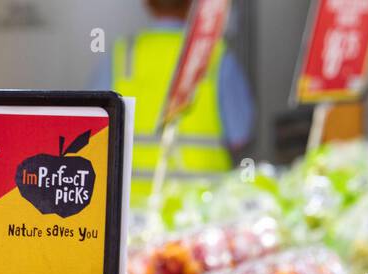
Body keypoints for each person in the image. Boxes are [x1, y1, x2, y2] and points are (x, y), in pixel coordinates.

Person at [100, 0, 255, 199]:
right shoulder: (216, 55)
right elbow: (240, 134)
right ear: (193, 4)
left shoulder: (122, 55)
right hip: (204, 208)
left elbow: (92, 128)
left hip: (134, 209)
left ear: (146, 3)